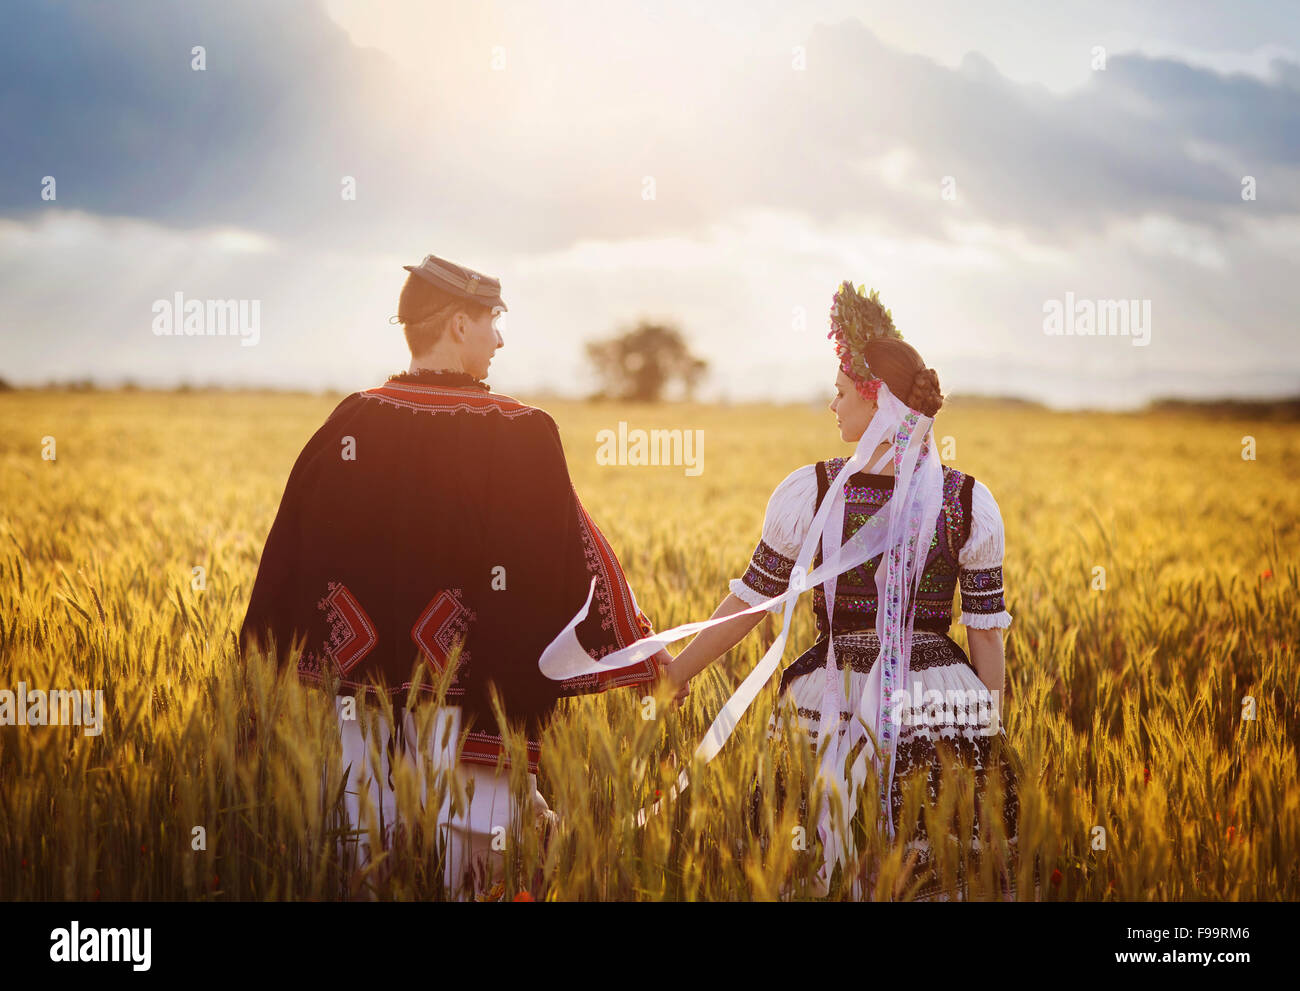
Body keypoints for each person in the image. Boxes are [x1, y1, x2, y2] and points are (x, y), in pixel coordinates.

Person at [239, 252, 674, 899]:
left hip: (360, 712)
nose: (500, 338)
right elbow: (573, 560)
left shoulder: (346, 425)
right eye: (491, 320)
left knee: (360, 866)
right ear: (459, 327)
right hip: (477, 714)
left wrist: (263, 670)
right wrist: (636, 646)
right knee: (477, 879)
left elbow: (286, 563)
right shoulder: (522, 435)